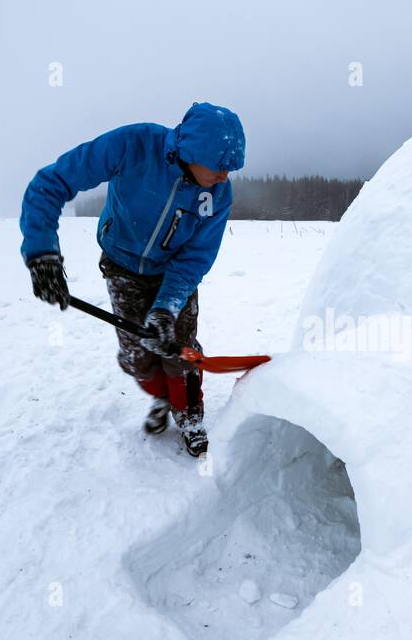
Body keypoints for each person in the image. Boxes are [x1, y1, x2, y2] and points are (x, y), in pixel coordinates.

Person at [18, 103, 245, 456]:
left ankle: (188, 413)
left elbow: (195, 257)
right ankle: (161, 398)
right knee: (138, 356)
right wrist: (41, 252)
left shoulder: (216, 196)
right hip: (122, 267)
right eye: (220, 167)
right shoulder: (133, 145)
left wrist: (166, 308)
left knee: (178, 350)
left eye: (231, 169)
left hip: (173, 273)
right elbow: (51, 183)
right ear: (193, 153)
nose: (225, 177)